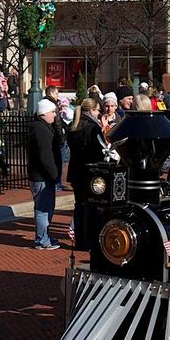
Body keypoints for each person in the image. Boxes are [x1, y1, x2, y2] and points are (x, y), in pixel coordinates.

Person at [67, 98, 106, 246]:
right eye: (97, 110)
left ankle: (80, 240)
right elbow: (98, 150)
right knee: (90, 205)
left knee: (79, 205)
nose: (98, 113)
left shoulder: (74, 125)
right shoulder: (92, 127)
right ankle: (88, 240)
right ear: (91, 110)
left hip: (76, 170)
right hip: (89, 171)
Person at [28, 99, 62, 250]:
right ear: (44, 113)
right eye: (52, 112)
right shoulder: (40, 130)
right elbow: (45, 156)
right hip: (42, 176)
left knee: (46, 208)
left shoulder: (43, 127)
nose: (55, 115)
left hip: (43, 176)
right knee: (43, 209)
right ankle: (42, 240)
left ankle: (44, 236)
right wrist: (54, 175)